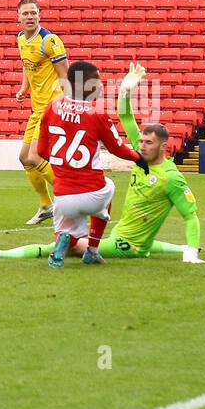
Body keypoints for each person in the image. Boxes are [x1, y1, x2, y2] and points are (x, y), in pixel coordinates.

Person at [0, 63, 204, 264]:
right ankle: (97, 246)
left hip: (124, 243)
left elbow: (190, 216)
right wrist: (124, 90)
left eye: (148, 143)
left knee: (70, 246)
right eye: (141, 141)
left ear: (163, 147)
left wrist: (192, 251)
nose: (141, 146)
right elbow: (126, 118)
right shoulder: (141, 154)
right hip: (121, 236)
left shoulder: (171, 177)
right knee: (109, 202)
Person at [35, 60, 149, 268]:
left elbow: (42, 151)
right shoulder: (96, 113)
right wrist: (138, 158)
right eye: (96, 81)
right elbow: (117, 148)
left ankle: (63, 241)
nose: (101, 86)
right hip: (93, 193)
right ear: (81, 86)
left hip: (61, 196)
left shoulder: (52, 107)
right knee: (110, 187)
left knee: (66, 230)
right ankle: (93, 250)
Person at [14, 0, 69, 224]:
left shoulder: (50, 41)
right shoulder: (20, 39)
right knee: (24, 159)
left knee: (35, 156)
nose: (29, 17)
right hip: (37, 108)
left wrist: (66, 104)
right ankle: (46, 205)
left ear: (39, 15)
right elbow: (27, 65)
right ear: (18, 17)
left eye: (33, 13)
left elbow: (65, 75)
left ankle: (70, 195)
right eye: (25, 13)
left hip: (53, 106)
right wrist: (24, 87)